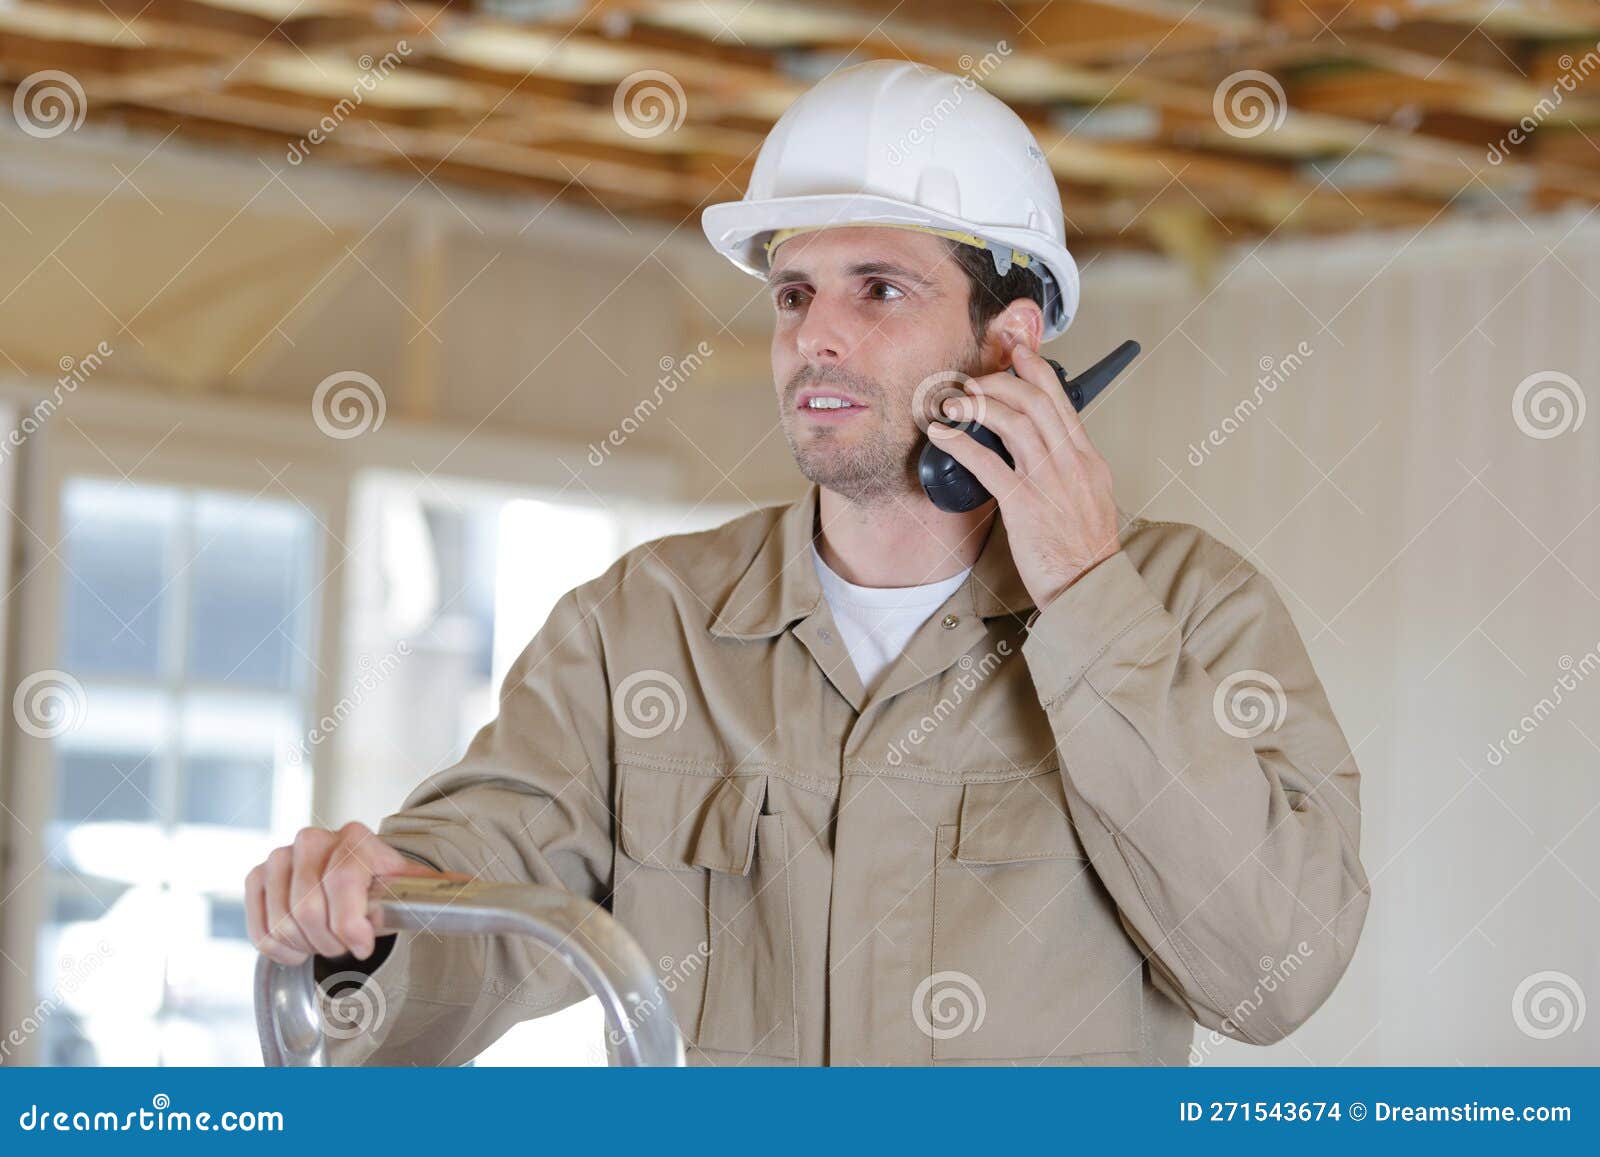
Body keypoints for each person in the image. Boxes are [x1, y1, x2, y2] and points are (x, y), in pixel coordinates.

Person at [246, 59, 1370, 1065]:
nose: (812, 336)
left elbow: (1275, 970)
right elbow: (483, 878)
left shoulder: (1188, 609)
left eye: (877, 288)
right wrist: (364, 914)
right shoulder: (644, 624)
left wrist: (1083, 598)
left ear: (1012, 340)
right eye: (794, 294)